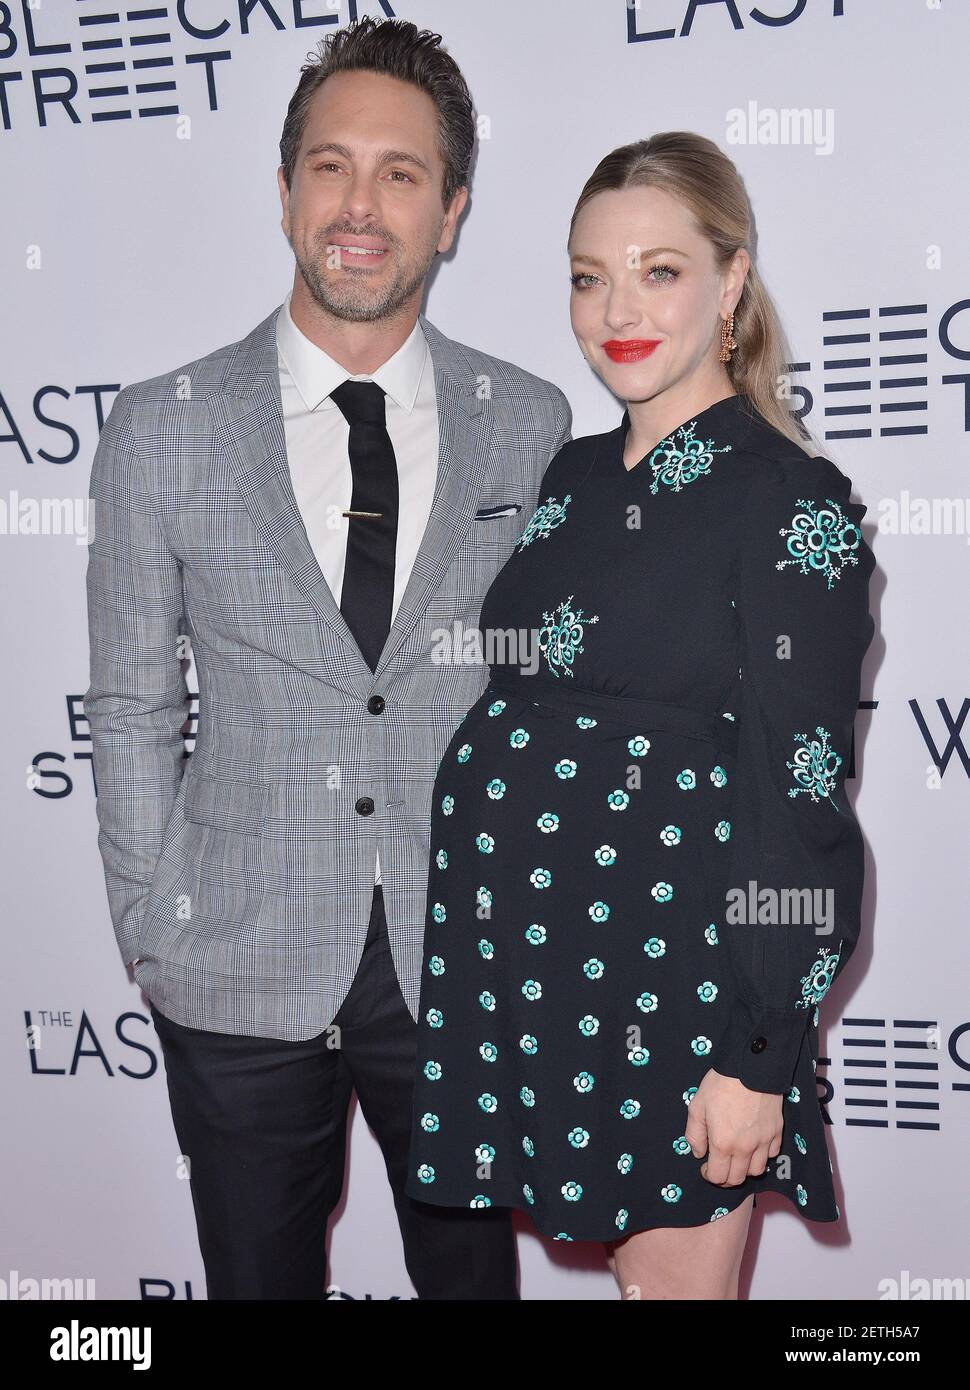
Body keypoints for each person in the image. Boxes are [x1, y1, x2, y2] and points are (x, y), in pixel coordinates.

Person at [83, 17, 571, 1300]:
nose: (361, 205)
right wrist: (154, 922)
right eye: (330, 166)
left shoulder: (528, 423)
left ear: (452, 209)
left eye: (401, 174)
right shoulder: (159, 431)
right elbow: (132, 704)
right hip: (232, 959)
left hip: (460, 961)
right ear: (286, 189)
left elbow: (547, 700)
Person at [405, 131, 876, 1300]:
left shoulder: (789, 502)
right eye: (586, 274)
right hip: (540, 976)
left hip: (677, 993)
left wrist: (758, 1053)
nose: (615, 308)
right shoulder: (571, 476)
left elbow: (802, 796)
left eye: (658, 271)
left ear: (730, 283)